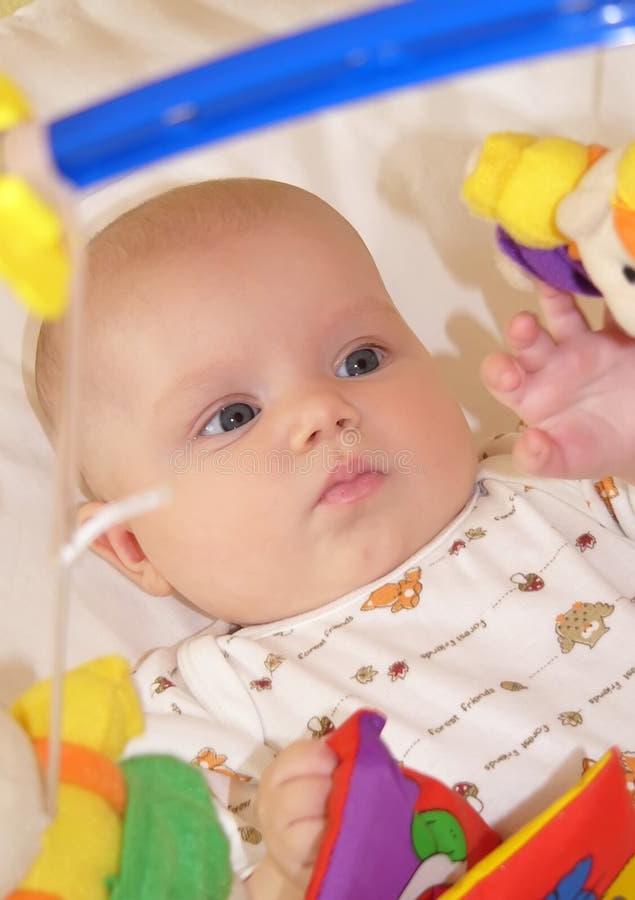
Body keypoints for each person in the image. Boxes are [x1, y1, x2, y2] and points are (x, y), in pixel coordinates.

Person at [35, 179, 635, 898]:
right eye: (231, 417)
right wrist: (284, 878)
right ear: (131, 544)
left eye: (361, 360)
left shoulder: (560, 479)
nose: (322, 410)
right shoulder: (199, 707)